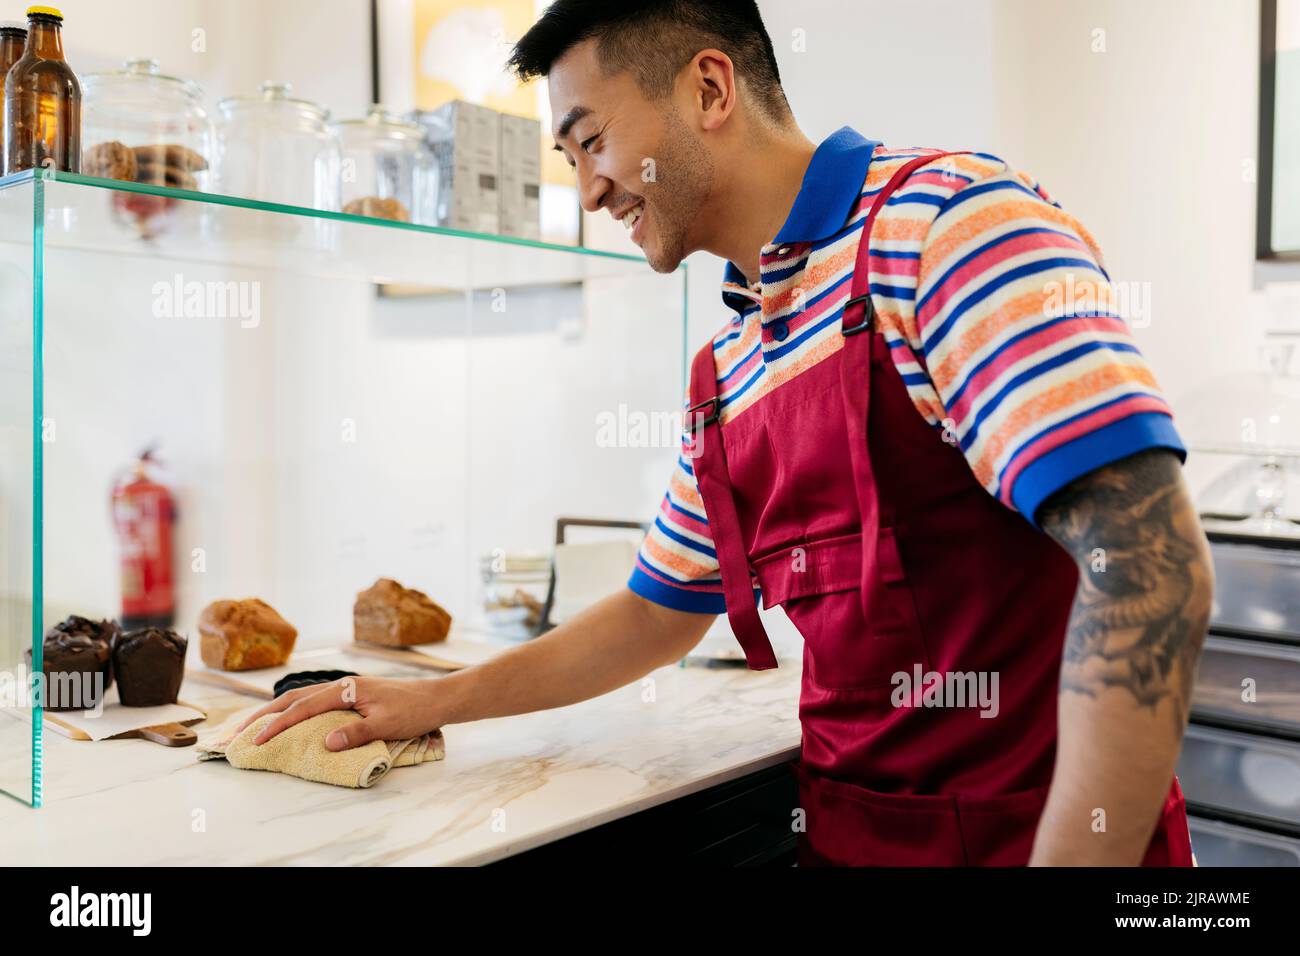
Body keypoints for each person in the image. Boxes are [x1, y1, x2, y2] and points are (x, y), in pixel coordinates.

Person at [238, 0, 1214, 866]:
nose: (587, 191)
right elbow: (655, 613)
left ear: (709, 87)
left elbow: (1147, 562)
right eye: (566, 160)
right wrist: (430, 698)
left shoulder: (946, 225)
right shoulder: (732, 361)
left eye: (590, 141)